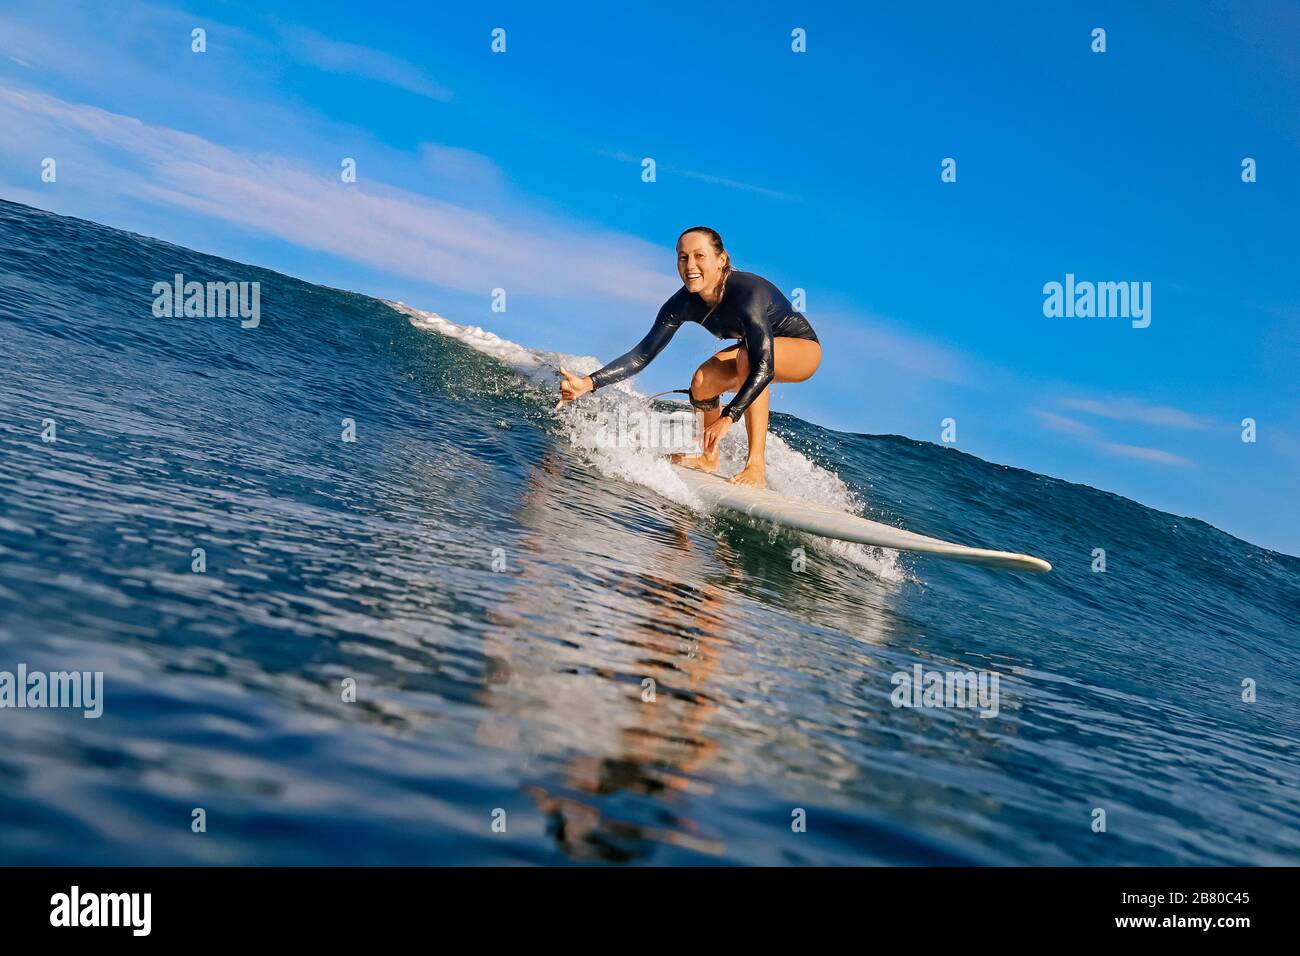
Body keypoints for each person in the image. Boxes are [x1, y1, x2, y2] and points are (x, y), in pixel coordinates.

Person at [558, 227, 821, 488]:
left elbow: (764, 366)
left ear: (721, 260)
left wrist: (728, 417)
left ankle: (755, 466)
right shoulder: (681, 304)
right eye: (683, 258)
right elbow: (641, 355)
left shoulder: (747, 294)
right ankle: (708, 456)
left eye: (699, 256)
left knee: (747, 358)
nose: (690, 265)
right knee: (702, 381)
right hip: (753, 350)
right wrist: (588, 383)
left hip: (803, 349)